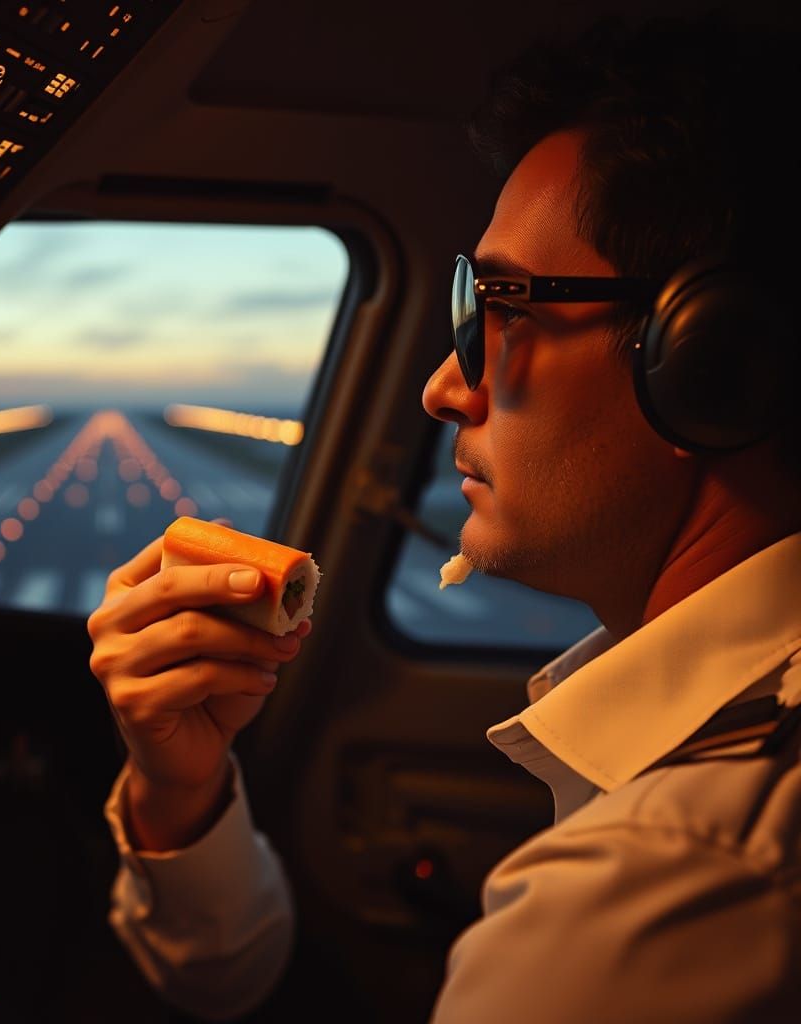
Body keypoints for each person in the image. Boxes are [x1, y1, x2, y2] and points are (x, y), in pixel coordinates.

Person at [87, 9, 801, 1022]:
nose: (440, 386)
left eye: (503, 306)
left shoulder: (657, 891)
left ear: (710, 360)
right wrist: (180, 788)